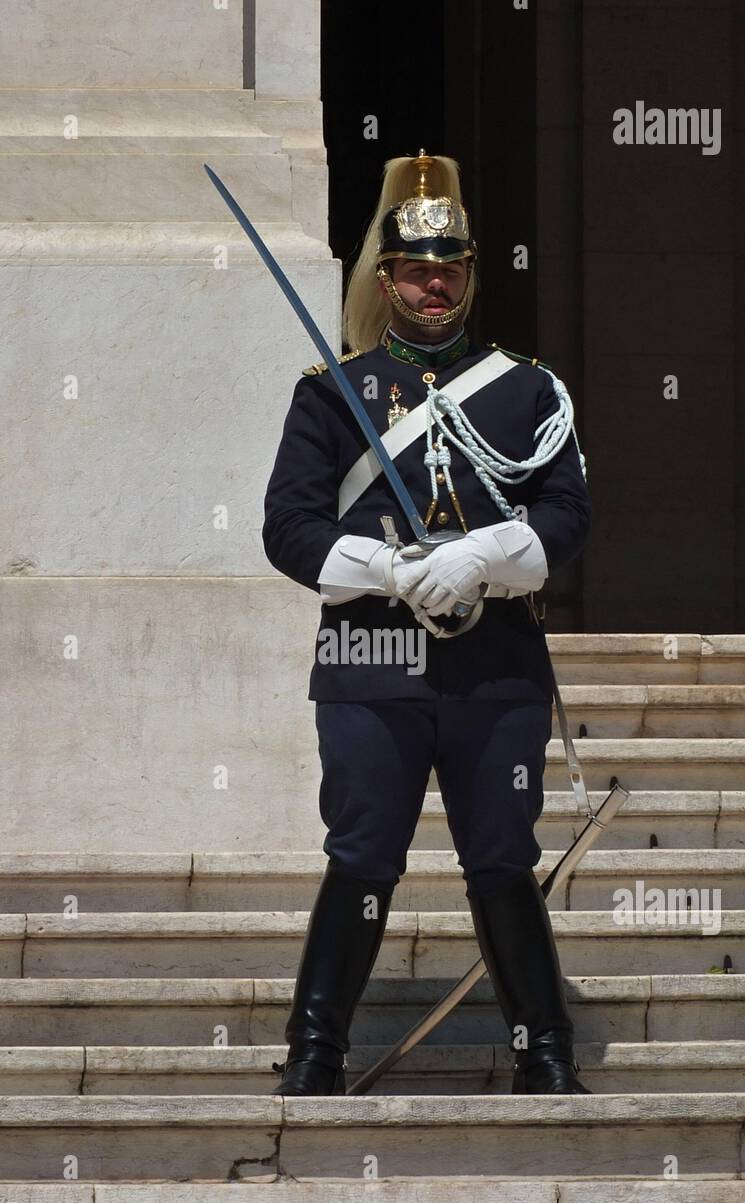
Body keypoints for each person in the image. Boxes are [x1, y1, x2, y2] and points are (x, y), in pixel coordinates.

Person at [262, 150, 591, 1097]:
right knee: (363, 852)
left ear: (471, 273)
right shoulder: (332, 391)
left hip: (496, 667)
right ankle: (317, 1051)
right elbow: (288, 529)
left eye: (450, 265)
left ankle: (545, 1050)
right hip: (373, 662)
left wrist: (483, 557)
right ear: (387, 276)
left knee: (502, 854)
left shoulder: (527, 391)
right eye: (415, 266)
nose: (434, 281)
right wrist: (393, 571)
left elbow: (566, 518)